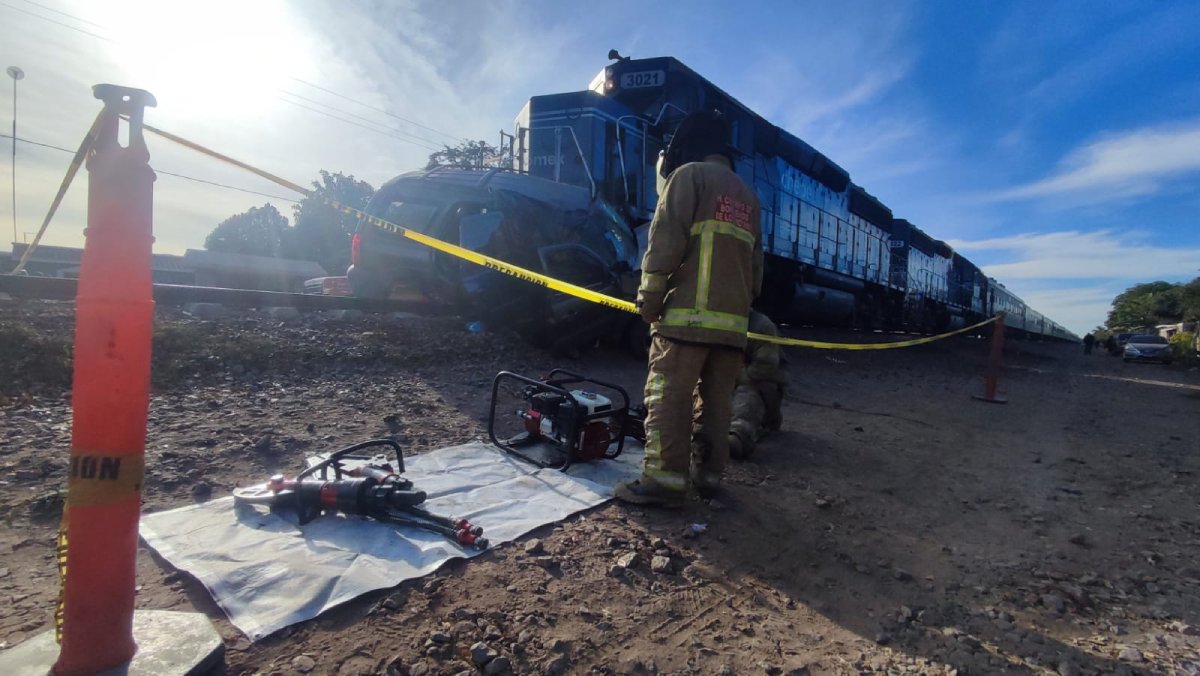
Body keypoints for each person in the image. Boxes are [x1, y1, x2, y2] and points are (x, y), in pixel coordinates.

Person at [614, 111, 763, 507]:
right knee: (717, 403)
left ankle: (664, 481)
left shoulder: (689, 176)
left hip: (685, 321)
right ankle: (709, 475)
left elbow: (664, 240)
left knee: (668, 395)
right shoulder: (749, 198)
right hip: (732, 329)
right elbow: (758, 272)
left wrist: (650, 297)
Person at [691, 308, 787, 463]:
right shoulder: (708, 319)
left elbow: (764, 367)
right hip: (722, 383)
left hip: (755, 385)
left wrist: (728, 379)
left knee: (746, 399)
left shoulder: (760, 325)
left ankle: (738, 435)